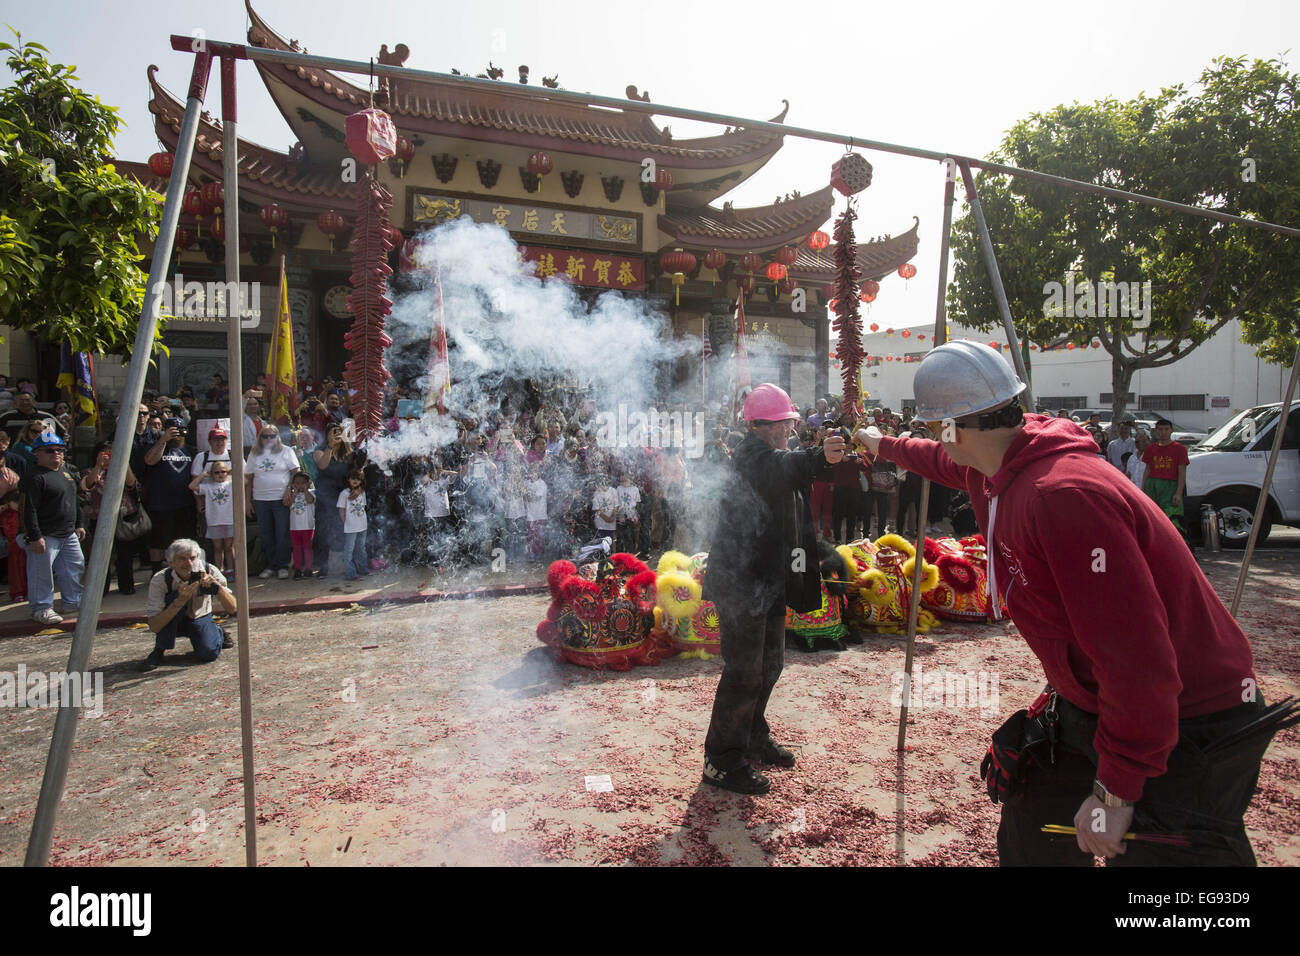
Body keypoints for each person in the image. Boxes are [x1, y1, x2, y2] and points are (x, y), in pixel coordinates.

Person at [858, 341, 1268, 865]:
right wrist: (879, 443)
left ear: (957, 428)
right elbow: (934, 457)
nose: (936, 440)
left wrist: (1115, 793)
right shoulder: (992, 462)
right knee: (1034, 834)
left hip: (1186, 718)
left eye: (936, 426)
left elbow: (1138, 661)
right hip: (1097, 701)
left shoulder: (1064, 496)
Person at [701, 383, 847, 795]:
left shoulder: (775, 458)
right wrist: (821, 456)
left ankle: (751, 734)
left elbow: (788, 518)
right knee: (744, 672)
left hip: (769, 579)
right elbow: (785, 467)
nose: (789, 429)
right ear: (762, 425)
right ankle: (721, 758)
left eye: (791, 423)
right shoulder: (752, 456)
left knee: (770, 666)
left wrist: (822, 551)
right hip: (742, 581)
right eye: (784, 424)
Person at [139, 538, 236, 671]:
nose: (189, 564)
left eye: (193, 558)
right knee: (172, 601)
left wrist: (217, 588)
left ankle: (217, 632)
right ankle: (159, 649)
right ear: (171, 562)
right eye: (182, 559)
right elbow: (155, 626)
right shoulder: (160, 579)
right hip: (173, 619)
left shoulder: (209, 570)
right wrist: (179, 601)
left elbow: (233, 608)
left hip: (199, 617)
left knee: (208, 653)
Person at [20, 433, 85, 626]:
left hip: (67, 532)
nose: (56, 454)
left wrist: (79, 524)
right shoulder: (34, 477)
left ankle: (72, 601)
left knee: (74, 565)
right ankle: (41, 608)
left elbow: (75, 500)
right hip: (45, 534)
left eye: (59, 450)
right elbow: (27, 508)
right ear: (38, 454)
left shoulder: (66, 472)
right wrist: (34, 536)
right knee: (41, 572)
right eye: (49, 450)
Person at [80, 440, 141, 595]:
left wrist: (123, 460)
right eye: (105, 453)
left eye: (110, 453)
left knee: (125, 555)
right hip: (99, 517)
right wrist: (99, 466)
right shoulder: (90, 470)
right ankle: (101, 589)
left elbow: (132, 483)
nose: (108, 456)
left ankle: (127, 586)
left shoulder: (120, 468)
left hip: (124, 516)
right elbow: (87, 484)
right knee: (101, 556)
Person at [141, 416, 196, 574]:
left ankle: (183, 572)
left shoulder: (190, 450)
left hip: (185, 505)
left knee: (184, 542)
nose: (177, 434)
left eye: (179, 430)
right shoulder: (155, 446)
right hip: (160, 505)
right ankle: (156, 572)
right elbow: (149, 461)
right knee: (158, 543)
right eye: (173, 430)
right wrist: (163, 440)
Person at [245, 425, 301, 579]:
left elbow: (296, 472)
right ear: (260, 438)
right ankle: (271, 565)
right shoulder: (254, 453)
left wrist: (290, 491)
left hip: (280, 499)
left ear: (278, 437)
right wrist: (247, 501)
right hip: (260, 499)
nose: (268, 439)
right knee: (266, 534)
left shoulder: (286, 451)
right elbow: (248, 479)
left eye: (272, 436)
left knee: (282, 533)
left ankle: (283, 565)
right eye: (265, 436)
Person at [312, 423, 352, 577]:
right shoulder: (320, 450)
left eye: (338, 433)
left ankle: (347, 564)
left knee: (344, 529)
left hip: (343, 495)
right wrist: (330, 447)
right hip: (325, 496)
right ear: (327, 435)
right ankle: (323, 566)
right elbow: (322, 465)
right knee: (323, 531)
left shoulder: (347, 452)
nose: (336, 436)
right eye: (333, 433)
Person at [1140, 419, 1189, 532]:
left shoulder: (1180, 449)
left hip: (1170, 485)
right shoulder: (1151, 448)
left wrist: (1178, 492)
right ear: (1156, 431)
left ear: (1171, 430)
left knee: (1172, 516)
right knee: (1152, 514)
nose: (1163, 432)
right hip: (1152, 484)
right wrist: (1143, 488)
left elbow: (1182, 471)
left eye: (1166, 429)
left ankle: (1175, 541)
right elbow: (1147, 469)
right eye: (1160, 429)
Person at [189, 460, 236, 575]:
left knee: (229, 547)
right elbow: (192, 486)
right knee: (218, 548)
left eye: (223, 471)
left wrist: (233, 472)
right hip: (214, 521)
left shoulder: (231, 484)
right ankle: (219, 570)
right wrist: (203, 475)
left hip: (229, 520)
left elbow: (244, 481)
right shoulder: (208, 487)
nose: (220, 474)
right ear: (212, 474)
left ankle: (231, 570)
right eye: (216, 472)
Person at [337, 468, 369, 581]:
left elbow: (363, 507)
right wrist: (346, 522)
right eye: (353, 478)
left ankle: (363, 569)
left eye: (358, 479)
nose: (355, 481)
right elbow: (341, 510)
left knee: (361, 548)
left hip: (362, 525)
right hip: (351, 526)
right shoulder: (344, 493)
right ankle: (350, 573)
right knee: (349, 550)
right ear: (348, 479)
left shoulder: (362, 492)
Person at [284, 471, 317, 579]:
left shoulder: (312, 493)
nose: (300, 485)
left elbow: (309, 500)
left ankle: (308, 568)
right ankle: (297, 568)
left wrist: (306, 489)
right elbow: (287, 503)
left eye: (303, 483)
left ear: (308, 483)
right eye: (297, 483)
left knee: (307, 547)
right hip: (294, 527)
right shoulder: (292, 494)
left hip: (308, 526)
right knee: (296, 548)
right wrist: (293, 491)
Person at [2, 490, 27, 603]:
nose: (17, 504)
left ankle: (28, 590)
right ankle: (17, 593)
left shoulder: (24, 511)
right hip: (14, 547)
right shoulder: (6, 513)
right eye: (14, 501)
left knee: (27, 569)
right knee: (15, 571)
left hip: (26, 545)